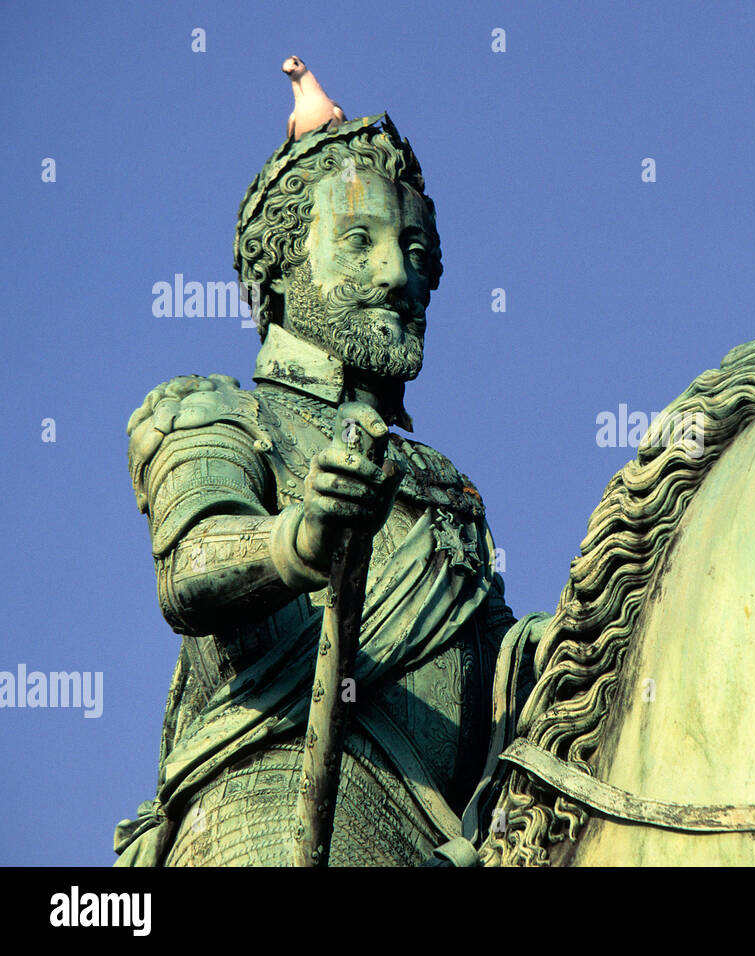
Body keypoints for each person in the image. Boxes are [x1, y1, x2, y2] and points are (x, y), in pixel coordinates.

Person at [114, 114, 531, 866]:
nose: (400, 278)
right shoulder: (219, 413)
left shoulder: (446, 490)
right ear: (277, 270)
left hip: (450, 844)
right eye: (359, 243)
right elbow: (190, 569)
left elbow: (501, 673)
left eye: (415, 252)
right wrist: (300, 537)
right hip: (269, 813)